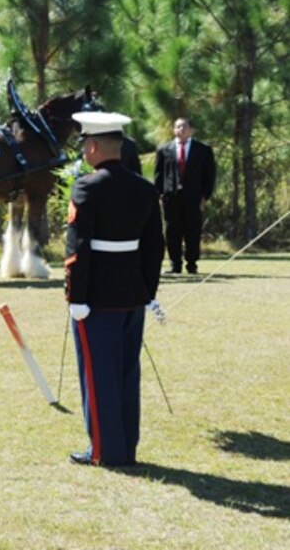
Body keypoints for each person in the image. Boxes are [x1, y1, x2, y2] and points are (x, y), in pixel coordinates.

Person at [65, 111, 164, 467]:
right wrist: (147, 292)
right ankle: (126, 446)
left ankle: (105, 451)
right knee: (125, 373)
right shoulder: (144, 188)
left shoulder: (87, 187)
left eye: (85, 146)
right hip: (132, 296)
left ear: (92, 146)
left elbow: (78, 250)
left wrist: (76, 298)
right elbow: (155, 246)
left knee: (98, 374)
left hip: (96, 298)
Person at [154, 117, 216, 274]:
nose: (181, 130)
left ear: (191, 130)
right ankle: (175, 264)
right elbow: (159, 174)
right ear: (173, 130)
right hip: (171, 198)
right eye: (177, 127)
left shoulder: (203, 150)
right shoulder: (164, 150)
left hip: (193, 198)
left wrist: (205, 197)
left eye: (184, 127)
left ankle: (192, 263)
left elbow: (209, 176)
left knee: (192, 231)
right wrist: (159, 194)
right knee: (172, 231)